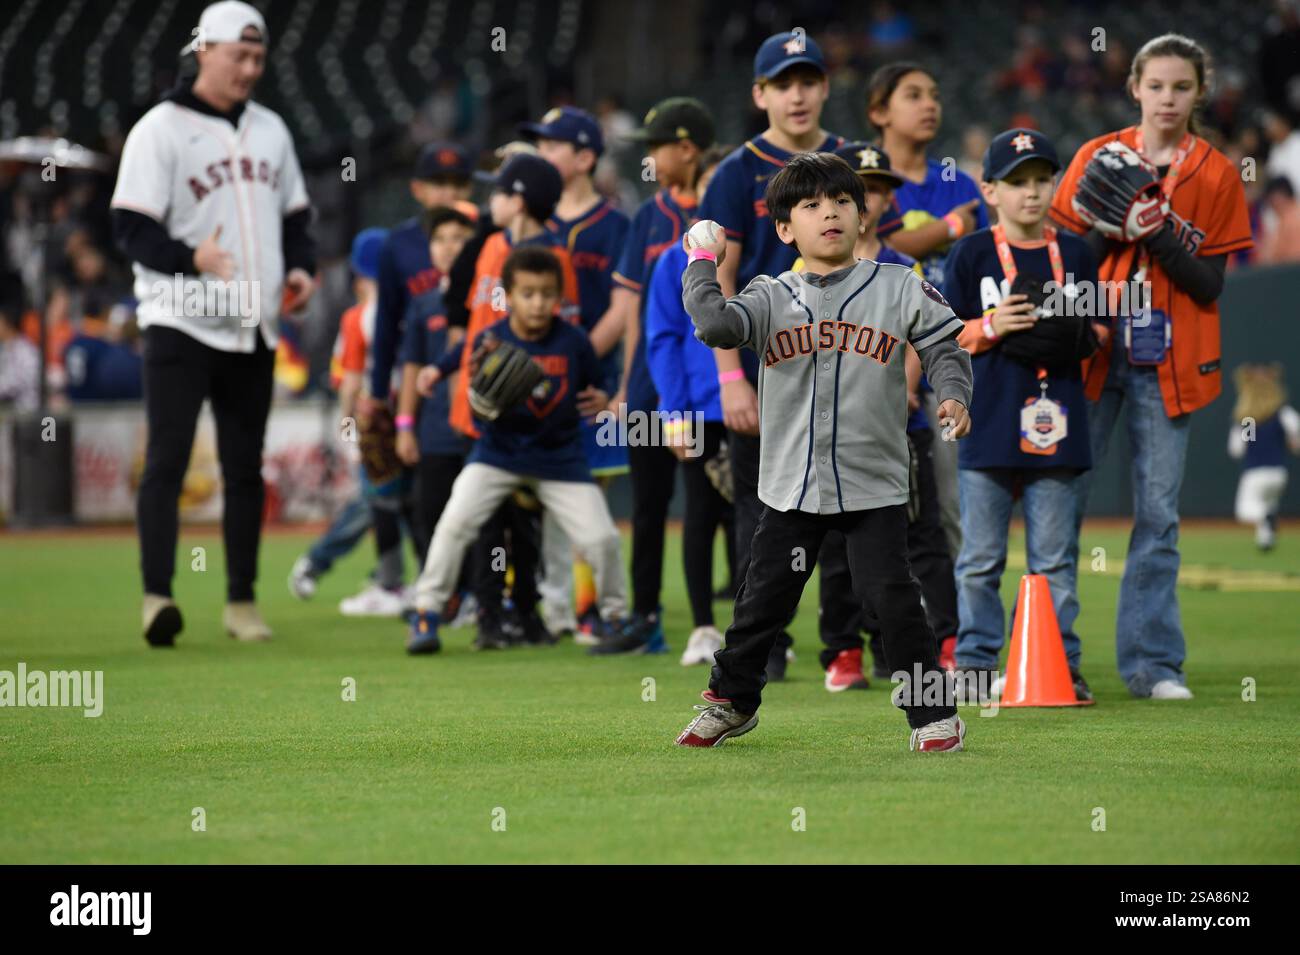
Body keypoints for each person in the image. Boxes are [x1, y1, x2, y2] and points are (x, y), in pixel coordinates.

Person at [675, 152, 973, 752]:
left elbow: (945, 344)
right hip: (791, 486)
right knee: (761, 601)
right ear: (785, 229)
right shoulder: (768, 294)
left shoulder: (898, 285)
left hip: (874, 482)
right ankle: (731, 702)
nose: (828, 213)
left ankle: (932, 714)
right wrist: (703, 264)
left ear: (863, 216)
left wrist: (953, 393)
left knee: (893, 600)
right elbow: (713, 326)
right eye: (809, 206)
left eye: (841, 202)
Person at [1051, 33, 1253, 700]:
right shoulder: (1094, 157)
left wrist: (1155, 231)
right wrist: (1106, 226)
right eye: (1157, 85)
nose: (1168, 98)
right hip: (1092, 348)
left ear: (1202, 92)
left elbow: (1209, 284)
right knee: (1061, 504)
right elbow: (1059, 260)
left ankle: (1152, 664)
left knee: (1159, 514)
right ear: (1134, 86)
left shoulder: (1219, 174)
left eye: (1182, 87)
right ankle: (1053, 658)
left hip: (1172, 356)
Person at [110, 1, 316, 646]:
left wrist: (301, 271)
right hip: (181, 318)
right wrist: (189, 257)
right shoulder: (160, 129)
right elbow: (131, 227)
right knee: (167, 461)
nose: (251, 68)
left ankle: (241, 603)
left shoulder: (272, 131)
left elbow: (295, 221)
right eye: (239, 55)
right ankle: (157, 598)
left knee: (245, 469)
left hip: (252, 322)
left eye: (259, 57)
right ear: (205, 51)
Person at [700, 30, 873, 687]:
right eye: (782, 83)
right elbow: (720, 274)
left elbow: (878, 256)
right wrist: (728, 377)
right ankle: (762, 648)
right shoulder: (736, 171)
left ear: (825, 87)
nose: (796, 94)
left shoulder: (851, 160)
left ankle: (848, 647)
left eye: (807, 80)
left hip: (848, 362)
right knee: (762, 514)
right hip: (769, 367)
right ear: (759, 94)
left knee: (855, 510)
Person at [944, 128, 1101, 702]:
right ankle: (977, 663)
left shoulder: (1077, 253)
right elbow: (944, 335)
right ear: (989, 190)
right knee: (980, 558)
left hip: (1057, 420)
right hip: (987, 422)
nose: (1031, 193)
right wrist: (992, 326)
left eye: (1041, 180)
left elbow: (1100, 332)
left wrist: (1079, 333)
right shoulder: (971, 253)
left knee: (1055, 559)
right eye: (1016, 183)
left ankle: (1062, 663)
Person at [408, 246, 627, 653]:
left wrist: (603, 398)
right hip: (498, 454)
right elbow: (459, 352)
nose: (539, 303)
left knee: (601, 539)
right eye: (528, 293)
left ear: (559, 296)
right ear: (508, 296)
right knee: (455, 523)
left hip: (560, 459)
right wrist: (435, 371)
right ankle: (427, 611)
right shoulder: (494, 340)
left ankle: (615, 616)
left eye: (547, 293)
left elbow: (599, 385)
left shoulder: (574, 341)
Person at [586, 98, 724, 657]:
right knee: (647, 506)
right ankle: (646, 618)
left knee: (716, 505)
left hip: (713, 387)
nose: (651, 158)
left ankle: (735, 627)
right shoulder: (648, 216)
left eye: (656, 146)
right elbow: (627, 308)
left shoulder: (730, 212)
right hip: (649, 386)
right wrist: (623, 389)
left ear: (686, 148)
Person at [449, 152, 581, 649]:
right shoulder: (487, 248)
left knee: (526, 516)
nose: (491, 200)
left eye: (499, 191)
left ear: (519, 199)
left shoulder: (556, 258)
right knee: (486, 519)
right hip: (480, 402)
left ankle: (526, 612)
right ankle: (488, 617)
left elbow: (565, 331)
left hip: (531, 406)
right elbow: (475, 327)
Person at [868, 61, 990, 559]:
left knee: (951, 499)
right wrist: (950, 228)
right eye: (913, 95)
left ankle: (961, 626)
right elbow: (888, 239)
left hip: (946, 353)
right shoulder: (864, 177)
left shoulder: (957, 181)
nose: (930, 104)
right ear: (879, 111)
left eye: (934, 94)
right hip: (872, 352)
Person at [520, 106, 632, 640]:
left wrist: (574, 356)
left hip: (592, 383)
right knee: (545, 498)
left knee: (589, 494)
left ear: (585, 156)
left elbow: (621, 306)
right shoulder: (532, 225)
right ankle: (553, 605)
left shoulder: (615, 224)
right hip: (533, 382)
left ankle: (591, 607)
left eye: (551, 147)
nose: (542, 156)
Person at [639, 142, 735, 664]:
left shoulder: (764, 255)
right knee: (700, 513)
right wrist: (674, 415)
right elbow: (663, 337)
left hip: (761, 409)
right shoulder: (671, 262)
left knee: (756, 519)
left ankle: (758, 634)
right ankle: (702, 626)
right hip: (700, 409)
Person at [289, 228, 413, 610]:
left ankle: (390, 581)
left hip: (381, 425)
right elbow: (350, 384)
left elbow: (348, 386)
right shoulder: (404, 310)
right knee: (381, 503)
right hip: (391, 425)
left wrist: (349, 436)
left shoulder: (360, 317)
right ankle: (386, 580)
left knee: (390, 503)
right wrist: (353, 438)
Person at [1228, 363, 1299, 551]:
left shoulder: (1250, 419)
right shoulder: (1283, 414)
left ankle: (1267, 520)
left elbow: (1237, 450)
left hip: (1256, 472)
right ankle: (1266, 541)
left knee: (1245, 510)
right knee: (1269, 506)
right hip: (1279, 472)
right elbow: (1295, 441)